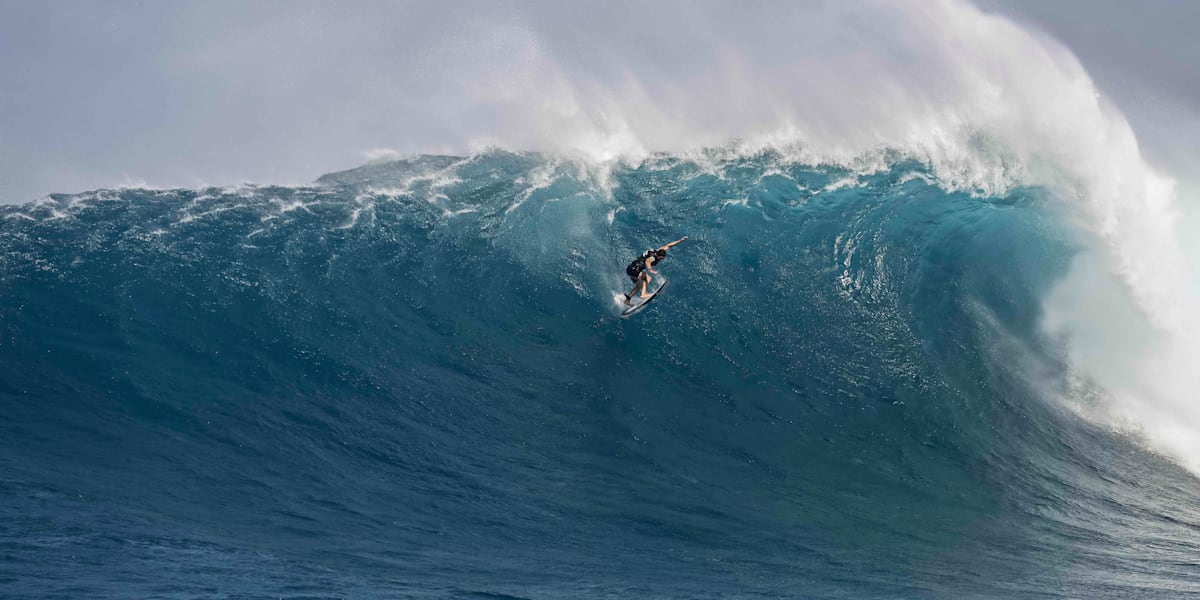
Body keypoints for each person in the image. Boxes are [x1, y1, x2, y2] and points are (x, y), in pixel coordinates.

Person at [624, 236, 688, 305]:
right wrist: (650, 269)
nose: (661, 260)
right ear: (659, 256)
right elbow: (648, 262)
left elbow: (668, 246)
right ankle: (643, 294)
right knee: (645, 278)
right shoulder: (653, 258)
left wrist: (680, 240)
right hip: (634, 270)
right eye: (661, 258)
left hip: (631, 268)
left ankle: (627, 300)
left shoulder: (657, 251)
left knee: (642, 283)